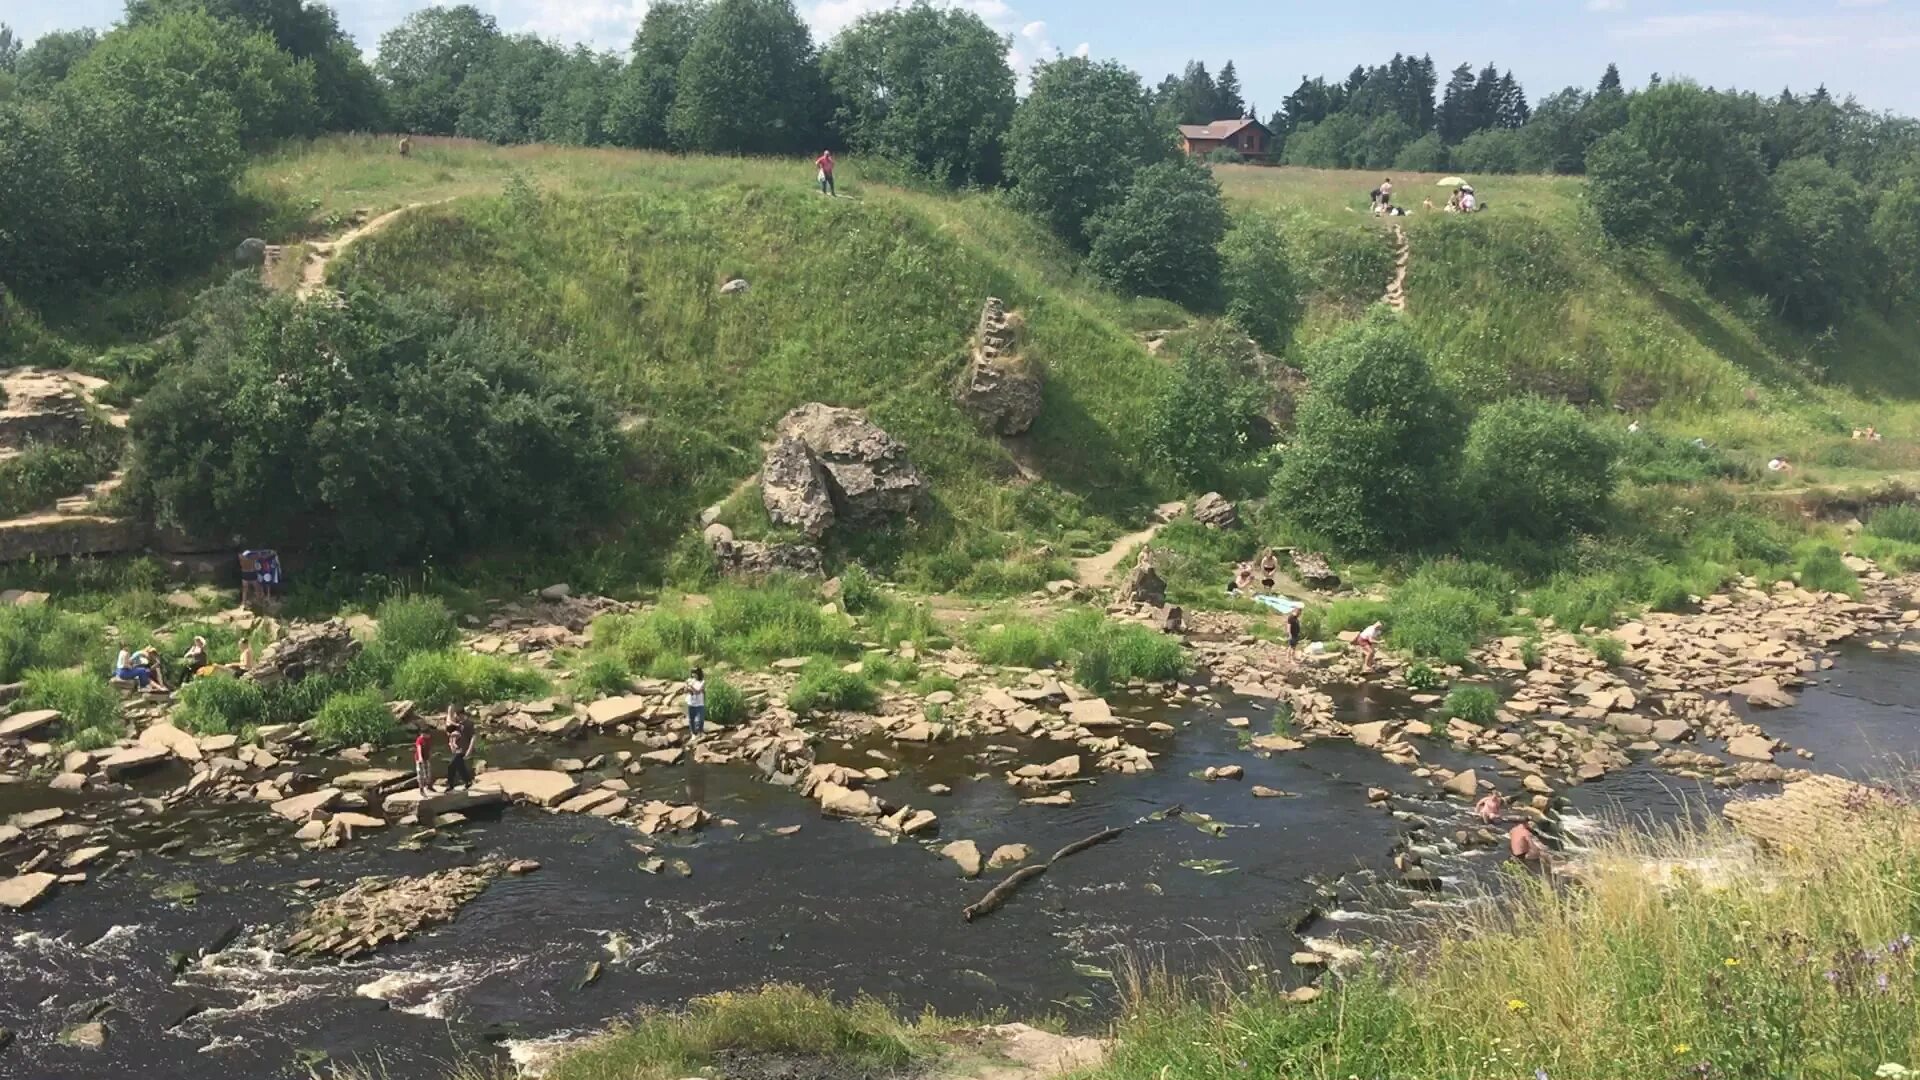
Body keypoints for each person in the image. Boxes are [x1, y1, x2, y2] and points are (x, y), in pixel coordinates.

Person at [442, 705, 475, 791]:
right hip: (457, 749)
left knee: (451, 765)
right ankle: (468, 782)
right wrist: (451, 744)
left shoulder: (469, 724)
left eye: (458, 715)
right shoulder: (458, 723)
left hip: (463, 749)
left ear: (462, 714)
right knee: (460, 766)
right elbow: (449, 729)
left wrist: (469, 750)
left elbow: (473, 737)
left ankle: (450, 785)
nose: (457, 717)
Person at [685, 666, 707, 737]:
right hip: (691, 702)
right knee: (691, 719)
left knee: (701, 719)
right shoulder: (690, 680)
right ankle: (693, 733)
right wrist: (687, 687)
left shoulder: (702, 682)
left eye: (695, 673)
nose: (693, 675)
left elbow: (698, 691)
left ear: (698, 673)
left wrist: (691, 686)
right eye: (692, 673)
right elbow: (685, 690)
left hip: (700, 703)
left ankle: (700, 731)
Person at [413, 726, 433, 796]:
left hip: (426, 758)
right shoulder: (419, 740)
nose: (429, 735)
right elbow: (419, 749)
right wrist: (420, 758)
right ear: (423, 734)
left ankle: (429, 786)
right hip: (419, 759)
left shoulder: (428, 739)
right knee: (420, 774)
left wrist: (430, 755)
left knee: (428, 773)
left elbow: (429, 747)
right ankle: (421, 789)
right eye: (428, 734)